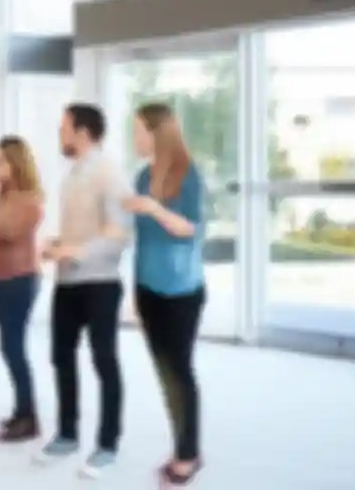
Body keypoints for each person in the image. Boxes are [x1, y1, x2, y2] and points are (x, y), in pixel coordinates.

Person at [38, 104, 131, 478]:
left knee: (104, 361)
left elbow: (118, 234)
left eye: (63, 127)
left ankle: (107, 445)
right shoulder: (71, 175)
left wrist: (74, 251)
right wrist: (57, 244)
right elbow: (81, 231)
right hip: (67, 282)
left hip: (101, 283)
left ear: (82, 131)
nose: (59, 134)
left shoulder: (110, 172)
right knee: (61, 357)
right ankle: (67, 433)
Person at [125, 103, 206, 487]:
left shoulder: (189, 175)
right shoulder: (143, 176)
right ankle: (181, 447)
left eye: (138, 131)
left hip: (180, 291)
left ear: (157, 134)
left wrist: (154, 209)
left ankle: (188, 454)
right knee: (164, 374)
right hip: (148, 288)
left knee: (179, 372)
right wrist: (135, 291)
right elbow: (142, 241)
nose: (134, 138)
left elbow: (190, 229)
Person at [0, 137, 45, 443]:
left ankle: (29, 417)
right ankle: (21, 410)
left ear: (16, 163)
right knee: (9, 346)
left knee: (13, 347)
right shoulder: (5, 196)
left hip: (18, 279)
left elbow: (8, 231)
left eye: (1, 161)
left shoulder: (27, 199)